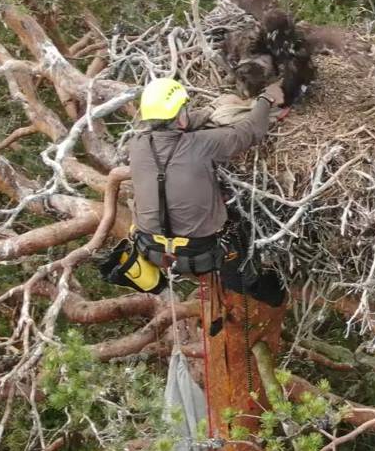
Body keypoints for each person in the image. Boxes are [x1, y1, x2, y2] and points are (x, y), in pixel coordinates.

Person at [122, 76, 286, 306]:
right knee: (242, 219)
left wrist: (209, 111)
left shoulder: (137, 144)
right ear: (180, 118)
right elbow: (251, 130)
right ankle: (252, 283)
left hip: (150, 247)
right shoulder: (202, 144)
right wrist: (267, 97)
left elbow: (178, 127)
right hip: (200, 251)